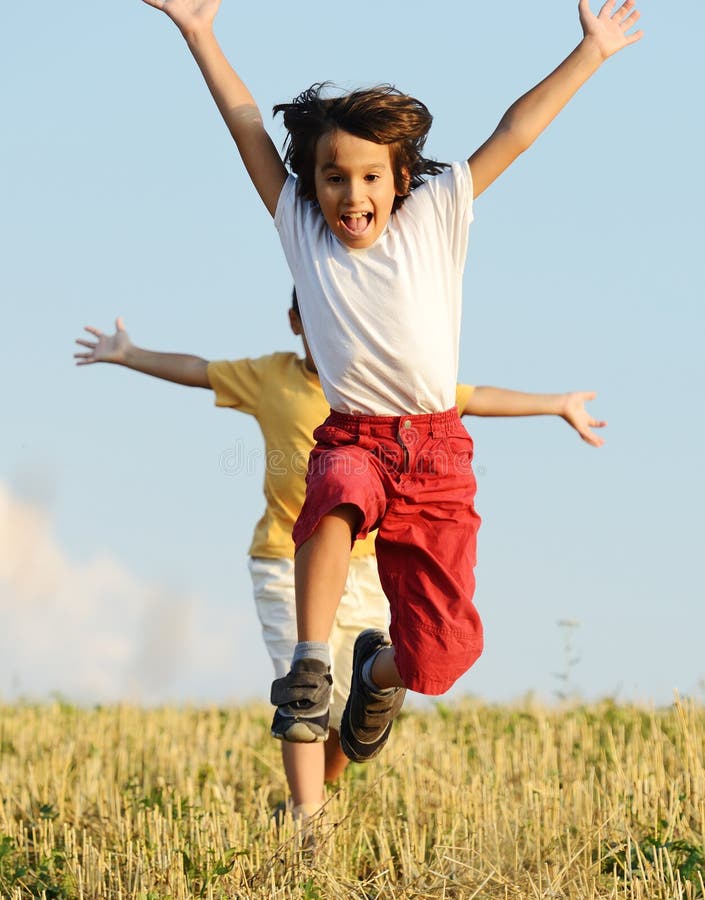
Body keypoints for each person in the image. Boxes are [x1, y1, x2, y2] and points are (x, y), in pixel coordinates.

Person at [137, 0, 638, 789]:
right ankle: (310, 664)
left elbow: (514, 132)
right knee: (333, 489)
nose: (349, 194)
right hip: (355, 437)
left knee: (439, 657)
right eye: (332, 177)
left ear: (402, 179)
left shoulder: (436, 214)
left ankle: (374, 672)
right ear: (312, 183)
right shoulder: (297, 223)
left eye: (369, 177)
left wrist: (591, 52)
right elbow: (246, 129)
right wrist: (201, 33)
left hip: (437, 450)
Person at [75, 298, 605, 821]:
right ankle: (307, 816)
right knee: (304, 682)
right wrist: (130, 353)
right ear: (296, 322)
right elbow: (198, 370)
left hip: (370, 563)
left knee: (353, 706)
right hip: (287, 559)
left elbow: (472, 397)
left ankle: (315, 790)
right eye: (320, 320)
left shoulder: (382, 386)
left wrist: (557, 403)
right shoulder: (269, 376)